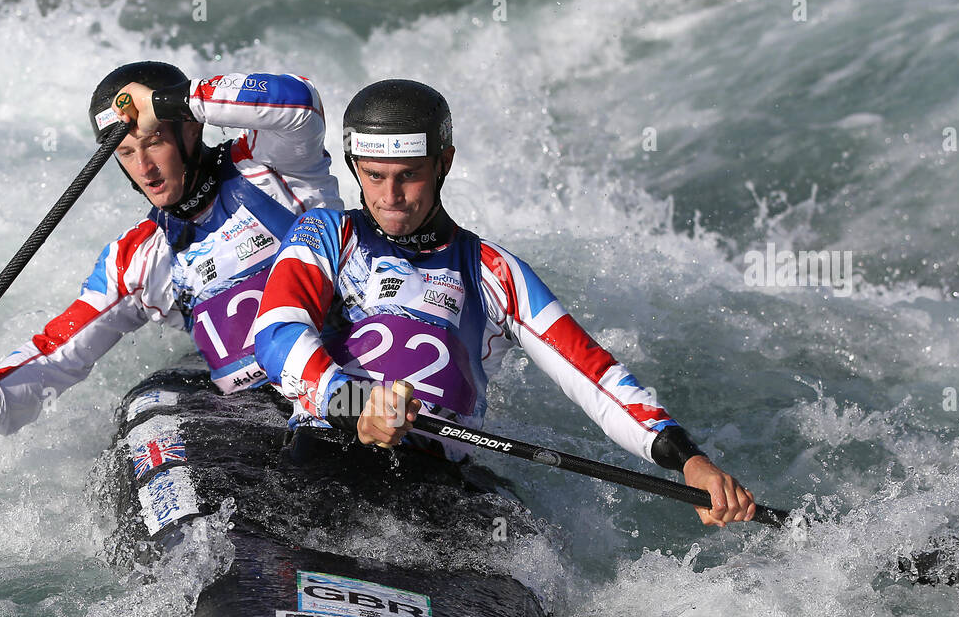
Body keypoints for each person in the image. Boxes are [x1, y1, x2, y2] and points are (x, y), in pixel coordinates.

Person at [254, 79, 755, 527]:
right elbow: (276, 332)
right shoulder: (326, 234)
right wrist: (351, 402)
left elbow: (594, 375)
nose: (391, 197)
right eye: (373, 175)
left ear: (444, 163)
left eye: (408, 175)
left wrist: (688, 459)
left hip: (440, 485)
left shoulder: (494, 270)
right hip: (331, 451)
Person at [0, 62, 340, 433]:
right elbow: (58, 354)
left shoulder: (269, 166)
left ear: (190, 131)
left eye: (154, 141)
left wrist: (173, 100)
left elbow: (298, 102)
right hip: (259, 415)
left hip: (355, 378)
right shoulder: (138, 259)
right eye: (125, 152)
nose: (144, 167)